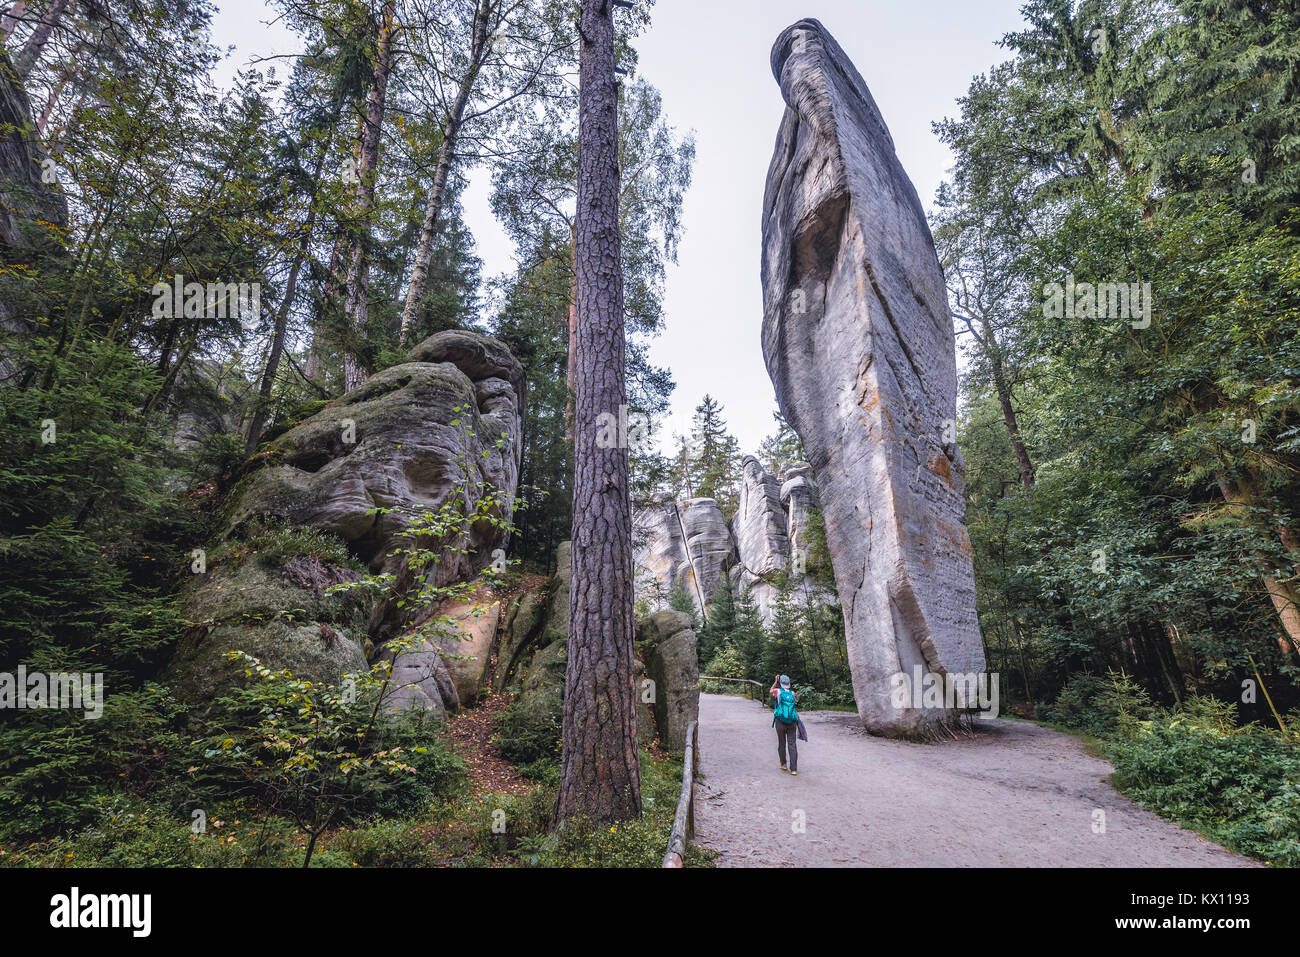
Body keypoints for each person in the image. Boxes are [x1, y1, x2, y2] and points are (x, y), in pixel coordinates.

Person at [770, 674, 799, 775]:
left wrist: (775, 681)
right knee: (792, 744)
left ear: (780, 683)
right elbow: (794, 704)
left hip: (780, 721)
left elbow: (771, 690)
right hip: (792, 722)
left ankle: (783, 764)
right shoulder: (792, 693)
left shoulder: (777, 691)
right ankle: (794, 769)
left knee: (782, 743)